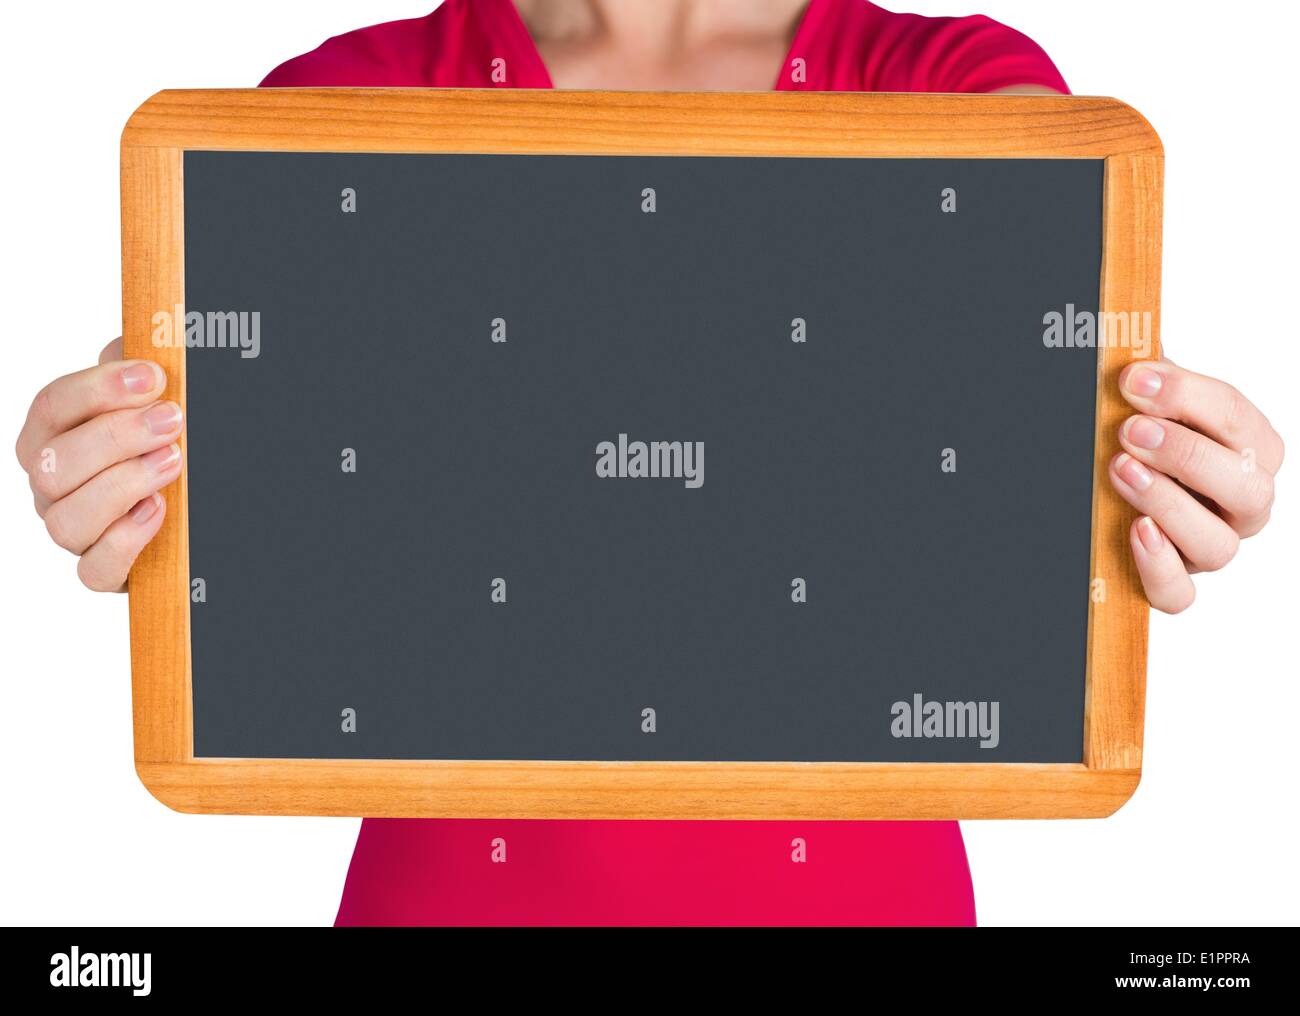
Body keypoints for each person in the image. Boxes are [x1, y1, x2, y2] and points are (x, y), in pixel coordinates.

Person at [15, 0, 1283, 926]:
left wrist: (1156, 471)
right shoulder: (336, 103)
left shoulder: (956, 82)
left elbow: (1033, 353)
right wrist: (134, 474)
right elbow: (264, 514)